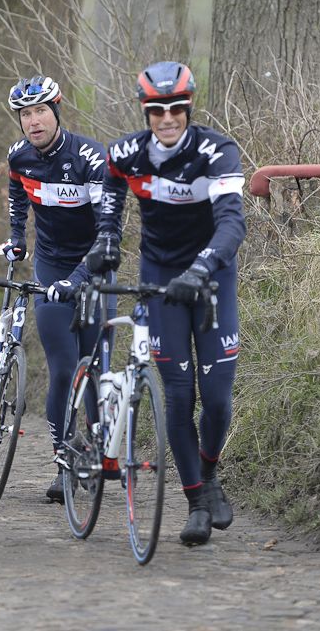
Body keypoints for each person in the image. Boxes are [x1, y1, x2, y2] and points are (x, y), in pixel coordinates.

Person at [85, 61, 246, 546]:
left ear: (189, 108)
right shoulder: (128, 153)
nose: (168, 118)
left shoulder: (217, 150)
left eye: (177, 108)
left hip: (210, 278)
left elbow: (232, 224)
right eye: (157, 110)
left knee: (216, 398)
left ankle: (210, 472)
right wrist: (108, 235)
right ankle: (196, 500)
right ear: (146, 112)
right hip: (159, 280)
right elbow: (111, 182)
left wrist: (201, 269)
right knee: (179, 395)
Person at [1, 74, 110, 502]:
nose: (33, 121)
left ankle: (100, 451)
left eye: (40, 111)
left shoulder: (90, 157)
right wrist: (16, 236)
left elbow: (107, 232)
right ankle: (64, 459)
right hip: (50, 265)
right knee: (63, 368)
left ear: (57, 112)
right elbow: (16, 194)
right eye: (25, 114)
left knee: (96, 366)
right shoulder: (19, 157)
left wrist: (79, 279)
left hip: (95, 265)